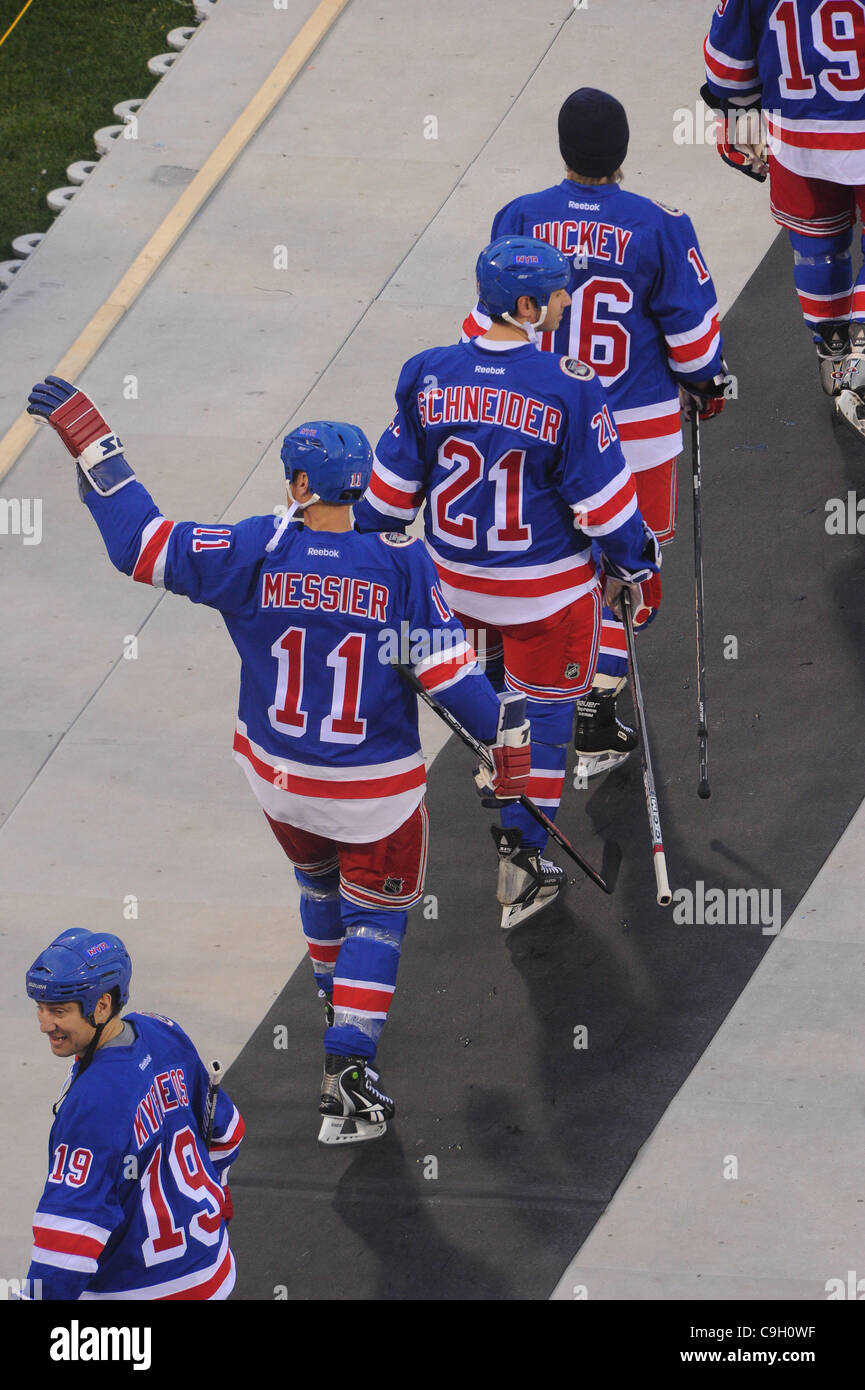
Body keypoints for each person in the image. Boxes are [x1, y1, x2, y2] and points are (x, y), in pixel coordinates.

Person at [26, 380, 531, 1142]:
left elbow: (138, 542)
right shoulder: (400, 564)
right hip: (373, 791)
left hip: (279, 782)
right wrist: (507, 751)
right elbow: (451, 679)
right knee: (376, 923)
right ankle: (348, 1069)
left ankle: (336, 1000)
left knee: (316, 884)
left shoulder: (247, 550)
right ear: (357, 483)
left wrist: (95, 444)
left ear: (300, 484)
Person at [353, 234, 660, 923]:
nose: (565, 301)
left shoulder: (426, 373)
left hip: (454, 593)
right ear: (526, 305)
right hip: (545, 598)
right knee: (545, 722)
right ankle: (521, 861)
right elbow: (606, 508)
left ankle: (501, 766)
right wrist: (637, 562)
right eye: (556, 293)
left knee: (501, 720)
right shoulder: (568, 386)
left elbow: (384, 502)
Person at [461, 89, 727, 776]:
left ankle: (519, 723)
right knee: (627, 571)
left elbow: (486, 326)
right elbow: (694, 345)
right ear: (623, 150)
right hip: (631, 433)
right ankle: (594, 715)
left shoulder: (519, 216)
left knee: (549, 569)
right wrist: (707, 385)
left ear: (562, 148)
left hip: (531, 426)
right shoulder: (659, 224)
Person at [22, 928, 243, 1300]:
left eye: (59, 1011)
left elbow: (67, 1243)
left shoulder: (94, 1104)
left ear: (102, 1005)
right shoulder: (163, 1033)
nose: (45, 1024)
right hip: (213, 1268)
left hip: (143, 1293)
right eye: (41, 1008)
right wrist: (213, 1193)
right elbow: (226, 1131)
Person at [702, 0, 865, 430]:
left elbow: (725, 69)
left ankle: (834, 358)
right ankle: (864, 356)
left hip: (796, 132)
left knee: (818, 250)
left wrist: (737, 116)